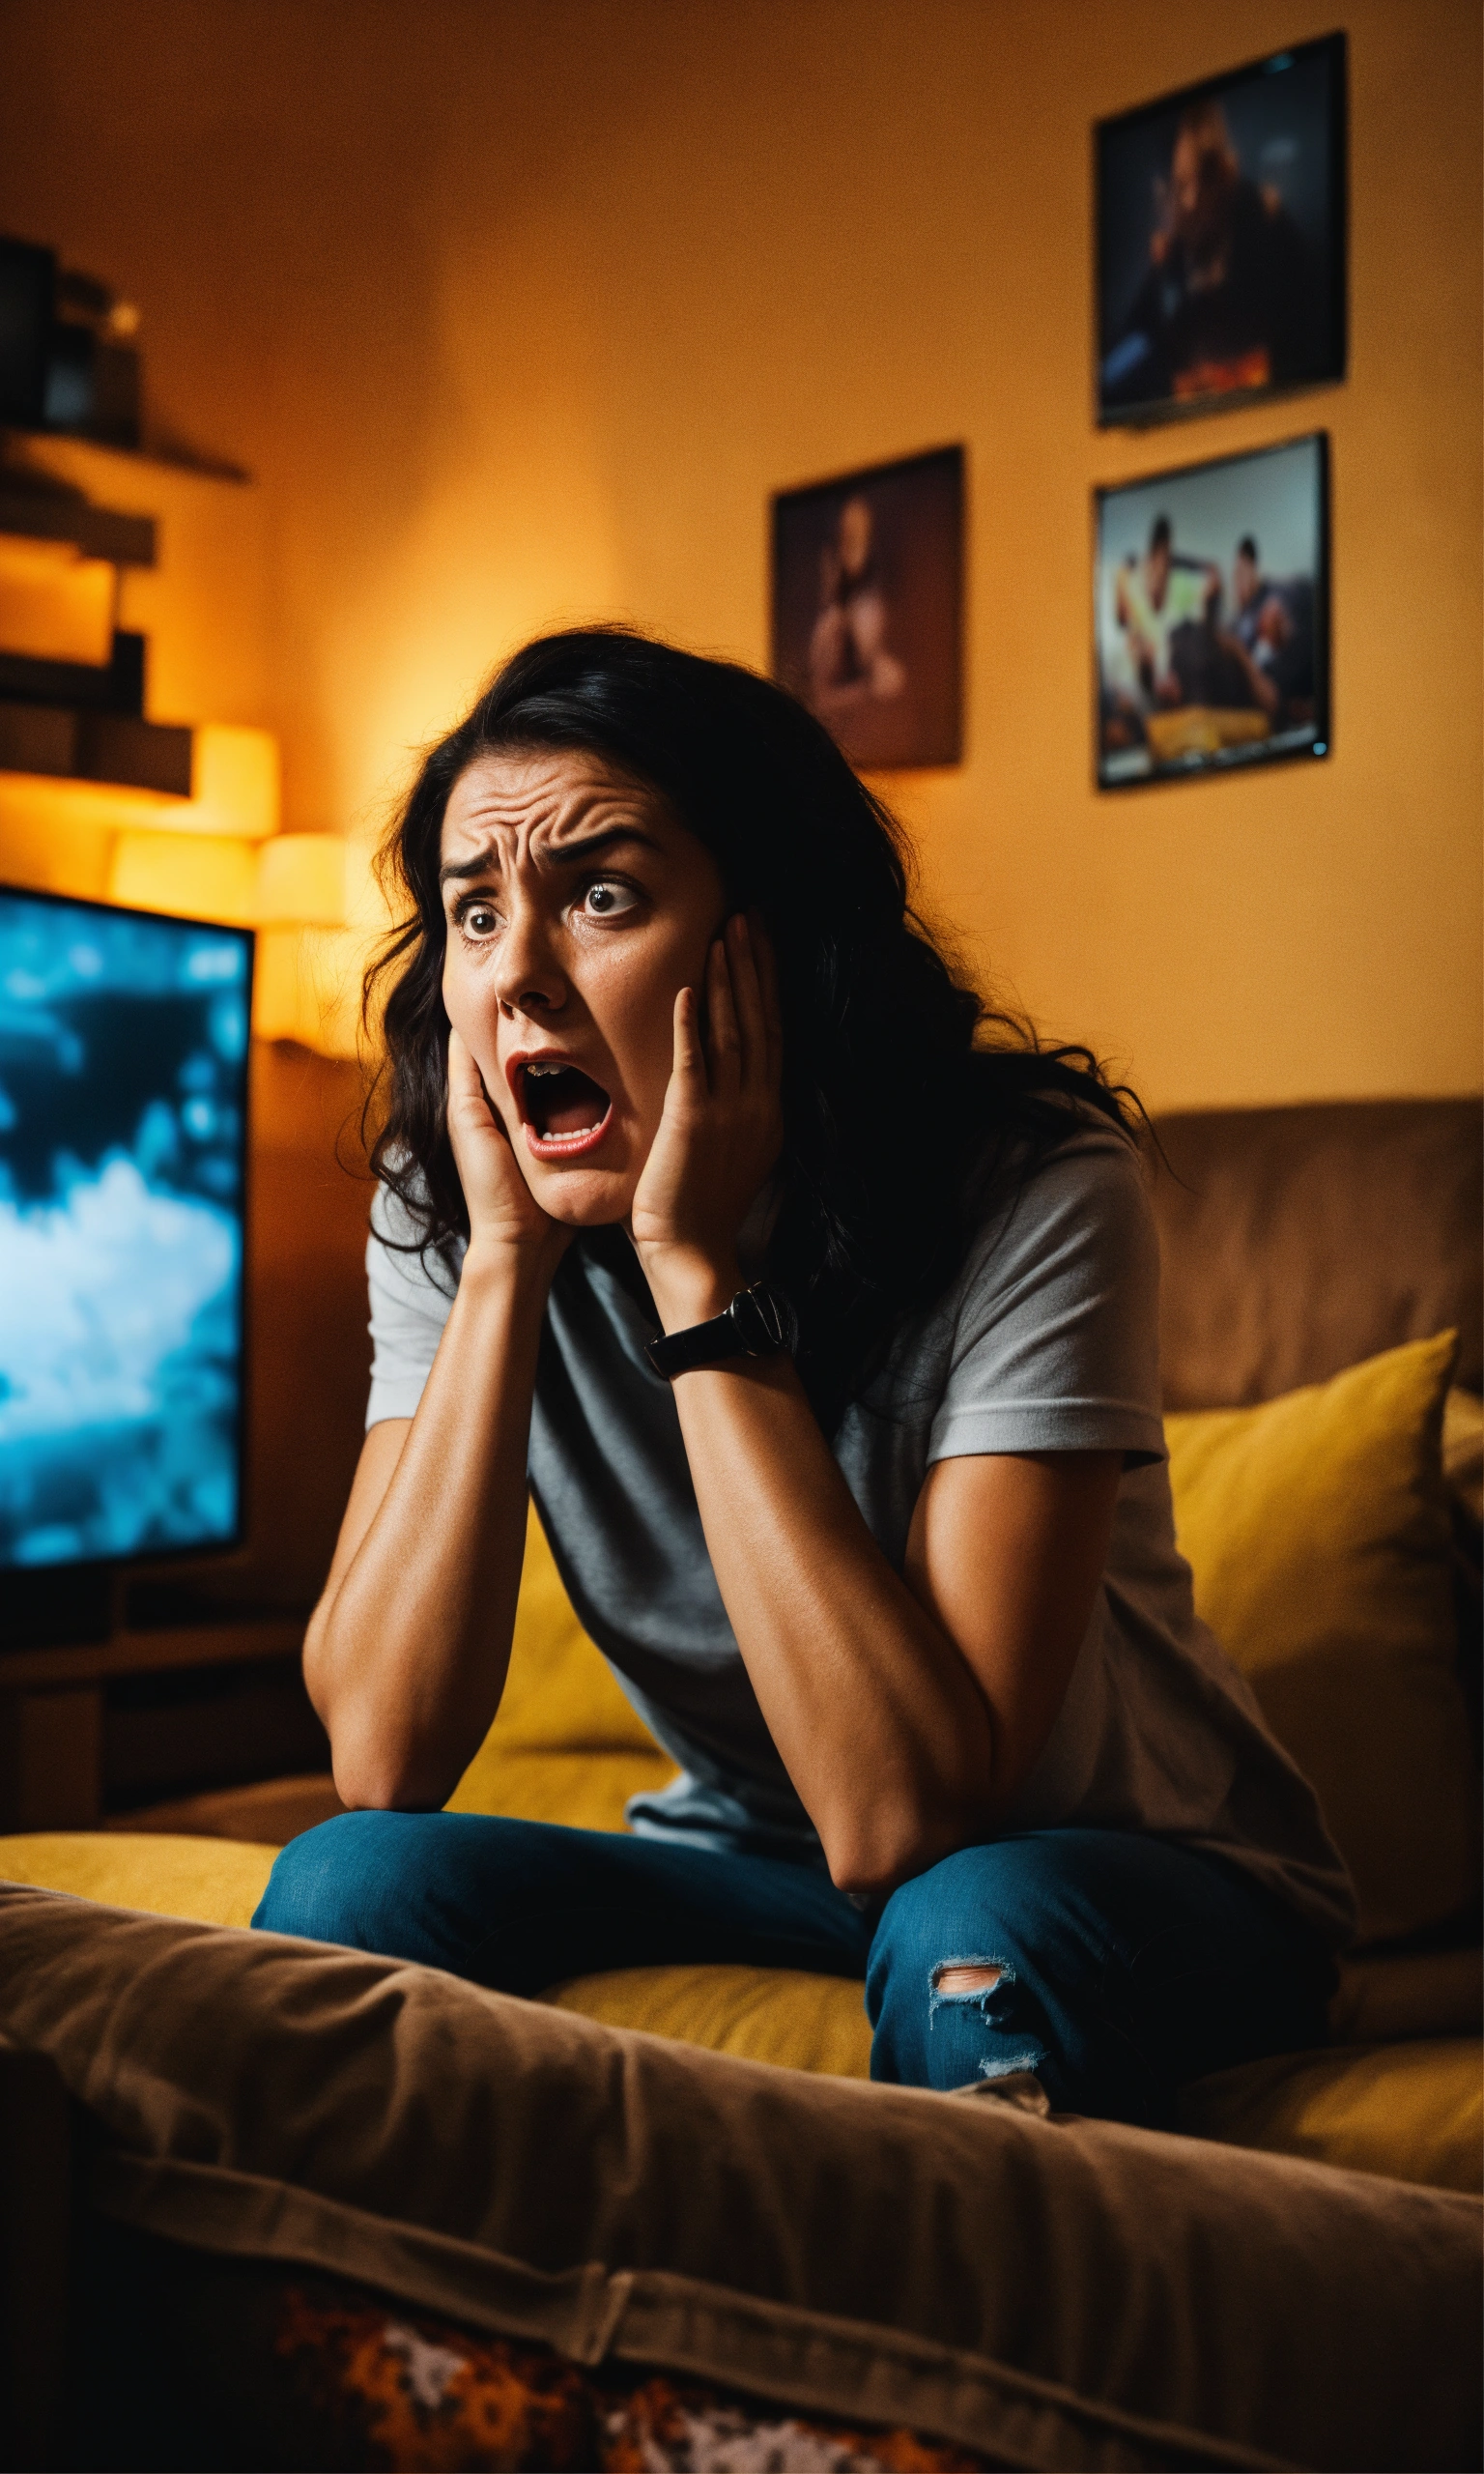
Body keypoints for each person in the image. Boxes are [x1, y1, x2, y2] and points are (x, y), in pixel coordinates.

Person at [253, 628, 1354, 2126]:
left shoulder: (1032, 1188)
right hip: (753, 1862)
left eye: (601, 896)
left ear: (767, 941)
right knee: (346, 1881)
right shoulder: (454, 1204)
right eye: (471, 911)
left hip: (1125, 1875)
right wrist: (504, 1264)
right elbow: (380, 1748)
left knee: (973, 1938)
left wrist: (694, 1278)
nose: (517, 976)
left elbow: (908, 1813)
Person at [1102, 99, 1320, 409]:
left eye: (1197, 181)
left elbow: (1308, 323)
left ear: (1218, 166)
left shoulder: (1260, 211)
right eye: (1180, 185)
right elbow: (1138, 337)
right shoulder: (1173, 250)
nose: (1189, 201)